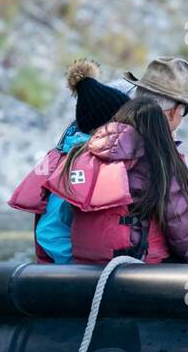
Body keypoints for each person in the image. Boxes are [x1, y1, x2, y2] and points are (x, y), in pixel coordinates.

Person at [55, 97, 188, 264]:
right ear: (160, 128)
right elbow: (181, 227)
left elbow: (64, 214)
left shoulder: (84, 153)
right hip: (136, 260)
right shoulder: (160, 161)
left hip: (83, 259)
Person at [9, 60, 128, 263]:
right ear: (106, 124)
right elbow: (49, 231)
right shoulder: (76, 163)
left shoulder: (98, 158)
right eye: (124, 120)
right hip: (75, 273)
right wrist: (74, 266)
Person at [124, 56, 188, 264]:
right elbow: (184, 240)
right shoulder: (162, 156)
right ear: (174, 111)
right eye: (184, 111)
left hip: (99, 262)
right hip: (144, 266)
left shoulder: (104, 137)